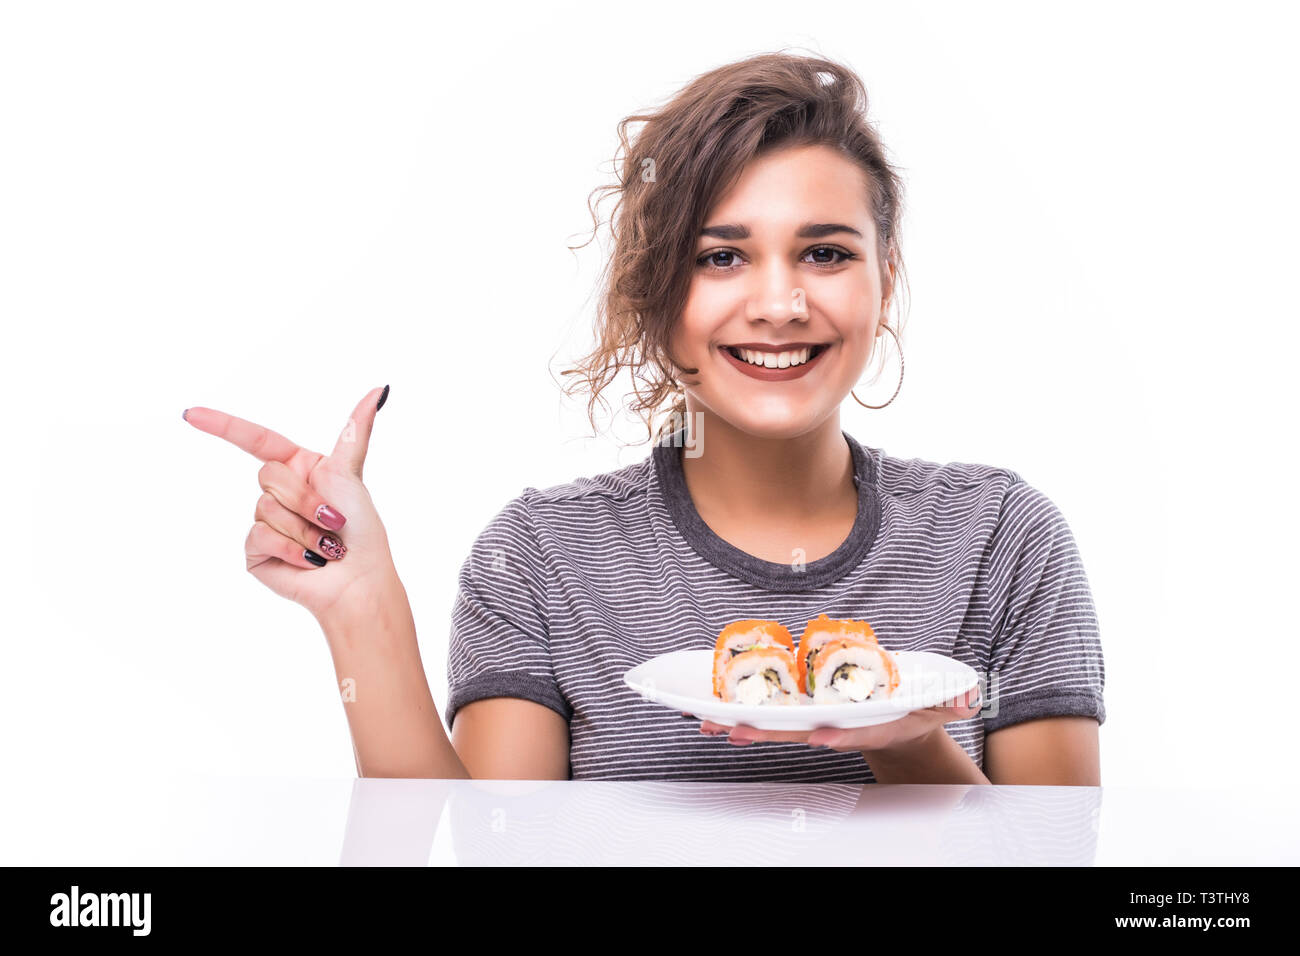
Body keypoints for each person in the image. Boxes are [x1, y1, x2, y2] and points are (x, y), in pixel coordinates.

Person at [184, 50, 1104, 784]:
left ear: (884, 281)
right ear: (656, 293)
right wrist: (360, 609)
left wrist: (904, 745)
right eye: (721, 258)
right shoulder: (543, 555)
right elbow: (475, 858)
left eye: (824, 253)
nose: (780, 304)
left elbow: (1065, 866)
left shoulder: (1001, 540)